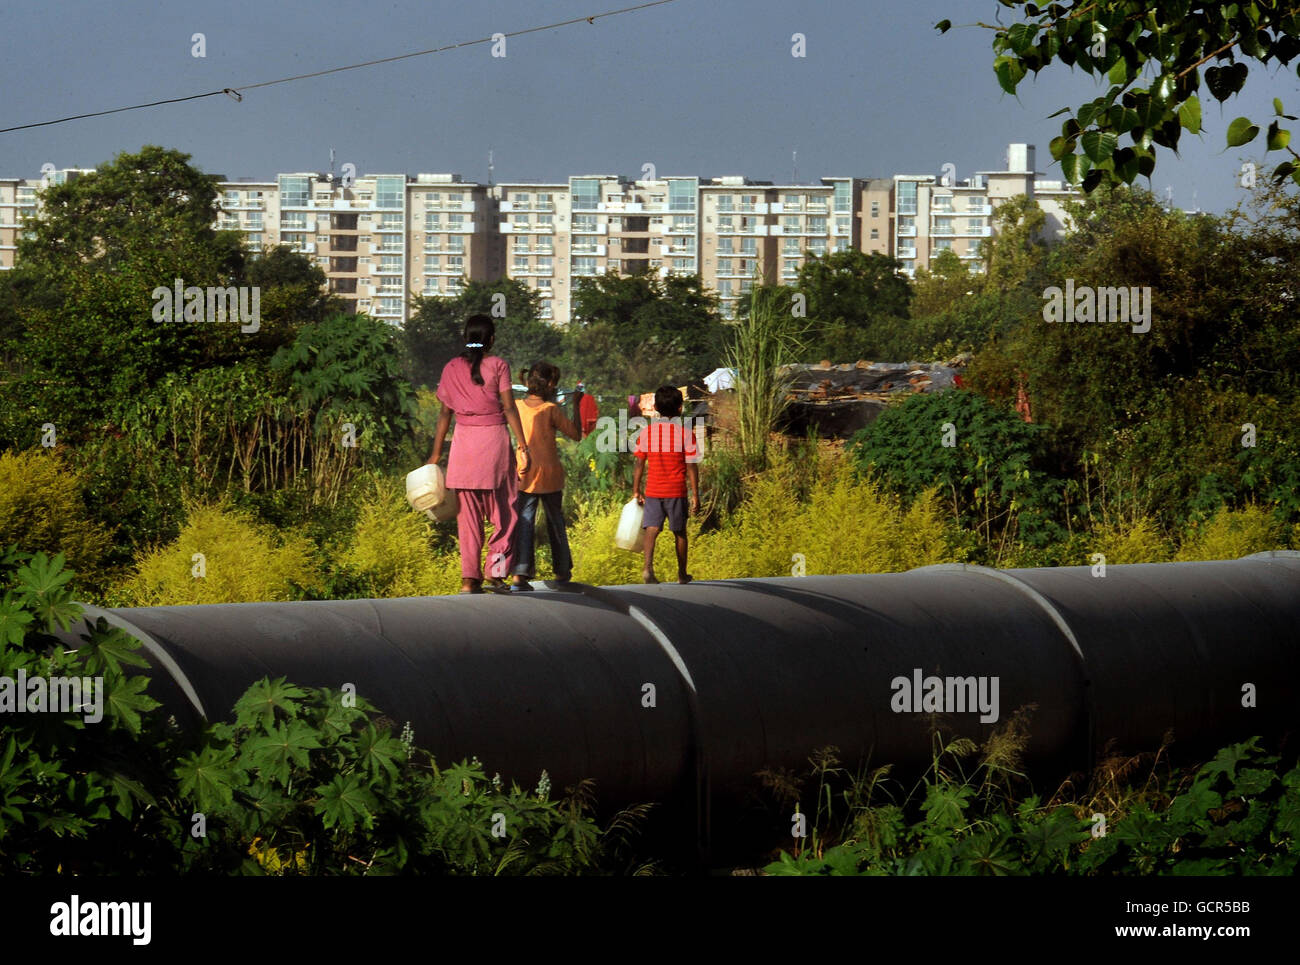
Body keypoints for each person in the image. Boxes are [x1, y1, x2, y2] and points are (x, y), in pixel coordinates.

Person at [428, 314, 530, 594]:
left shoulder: (450, 368)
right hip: (494, 446)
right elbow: (509, 409)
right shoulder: (498, 365)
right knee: (504, 516)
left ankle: (468, 580)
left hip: (463, 449)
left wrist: (435, 456)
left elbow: (444, 414)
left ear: (465, 338)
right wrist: (523, 445)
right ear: (492, 340)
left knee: (468, 520)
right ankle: (496, 574)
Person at [510, 362, 581, 590]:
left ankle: (520, 574)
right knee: (555, 523)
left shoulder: (516, 407)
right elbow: (576, 434)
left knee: (524, 523)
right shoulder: (551, 410)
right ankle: (562, 573)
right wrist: (576, 406)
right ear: (550, 384)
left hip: (524, 475)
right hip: (550, 476)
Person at [631, 385, 702, 585]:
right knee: (679, 531)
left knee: (651, 529)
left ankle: (647, 568)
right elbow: (691, 466)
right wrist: (696, 494)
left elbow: (639, 463)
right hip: (676, 491)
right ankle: (682, 573)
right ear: (680, 408)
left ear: (655, 407)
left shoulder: (647, 433)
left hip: (653, 489)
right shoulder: (685, 434)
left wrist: (636, 489)